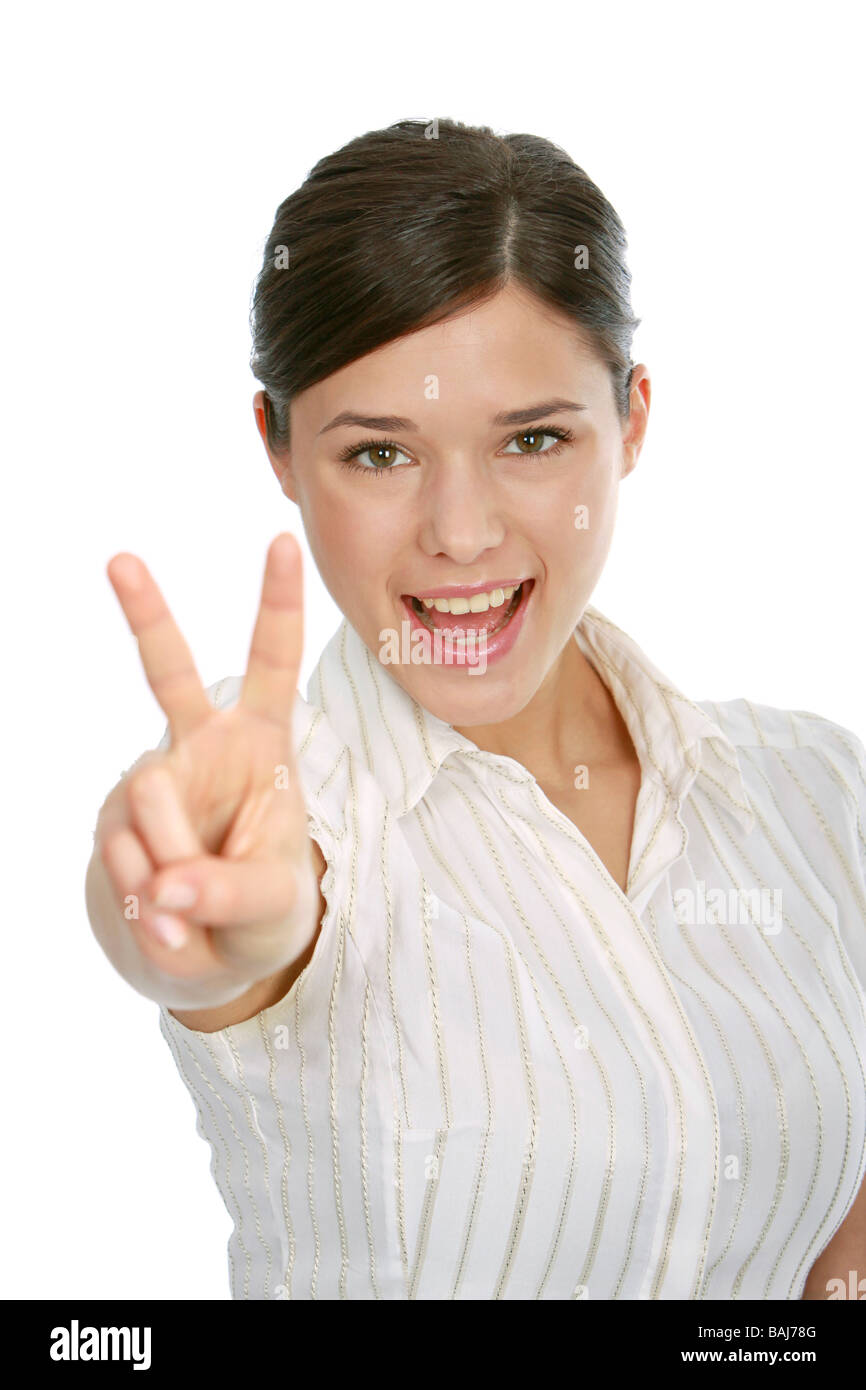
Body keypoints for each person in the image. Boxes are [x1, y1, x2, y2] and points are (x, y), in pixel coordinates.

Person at [86, 118, 866, 1300]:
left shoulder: (815, 791)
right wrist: (184, 908)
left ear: (632, 422)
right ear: (280, 448)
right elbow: (203, 928)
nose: (460, 531)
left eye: (534, 439)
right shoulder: (288, 796)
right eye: (379, 456)